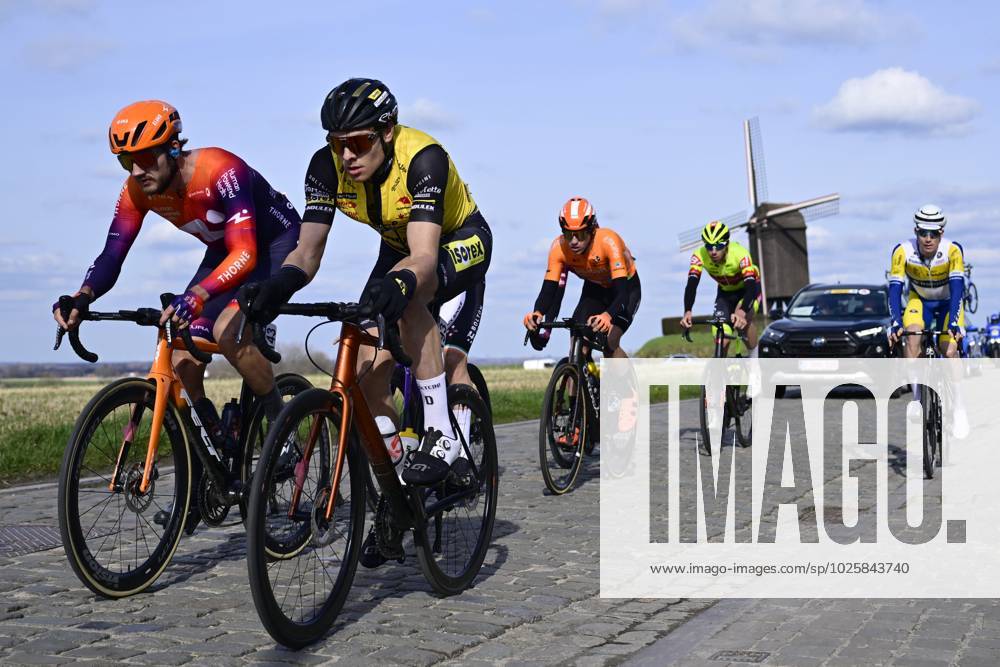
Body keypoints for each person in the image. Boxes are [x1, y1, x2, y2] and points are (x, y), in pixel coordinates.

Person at [53, 100, 301, 532]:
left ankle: (284, 433)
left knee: (227, 332)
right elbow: (112, 253)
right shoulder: (137, 190)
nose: (137, 170)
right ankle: (209, 463)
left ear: (172, 148)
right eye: (126, 161)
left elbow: (247, 252)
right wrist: (82, 296)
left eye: (146, 157)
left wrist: (199, 296)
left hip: (274, 243)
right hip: (225, 249)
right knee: (181, 353)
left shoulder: (220, 169)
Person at [240, 78, 491, 495]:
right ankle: (395, 472)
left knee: (411, 299)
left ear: (387, 131)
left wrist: (403, 283)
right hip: (397, 248)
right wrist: (278, 285)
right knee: (362, 362)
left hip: (457, 240)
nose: (347, 156)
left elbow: (423, 257)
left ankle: (442, 433)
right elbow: (307, 250)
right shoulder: (325, 168)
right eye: (337, 143)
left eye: (358, 142)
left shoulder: (423, 159)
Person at [522, 197, 641, 360]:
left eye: (581, 234)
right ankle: (580, 374)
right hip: (594, 290)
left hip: (625, 289)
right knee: (577, 343)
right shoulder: (558, 248)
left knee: (610, 343)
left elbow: (622, 294)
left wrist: (608, 315)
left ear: (592, 230)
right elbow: (549, 291)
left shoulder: (608, 241)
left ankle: (624, 377)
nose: (574, 241)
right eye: (568, 234)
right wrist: (537, 313)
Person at [886, 204, 967, 435]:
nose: (928, 239)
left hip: (948, 303)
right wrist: (895, 322)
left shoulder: (953, 251)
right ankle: (917, 398)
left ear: (942, 233)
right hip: (919, 302)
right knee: (912, 337)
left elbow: (958, 289)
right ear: (916, 232)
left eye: (933, 233)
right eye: (923, 233)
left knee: (949, 350)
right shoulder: (902, 251)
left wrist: (954, 324)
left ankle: (958, 407)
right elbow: (894, 290)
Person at [679, 221, 761, 355]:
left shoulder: (740, 254)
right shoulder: (699, 255)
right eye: (709, 247)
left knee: (742, 323)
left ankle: (754, 359)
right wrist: (687, 311)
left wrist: (742, 312)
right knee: (721, 335)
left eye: (718, 246)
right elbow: (692, 285)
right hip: (725, 293)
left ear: (726, 244)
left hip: (748, 290)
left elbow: (751, 289)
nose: (713, 252)